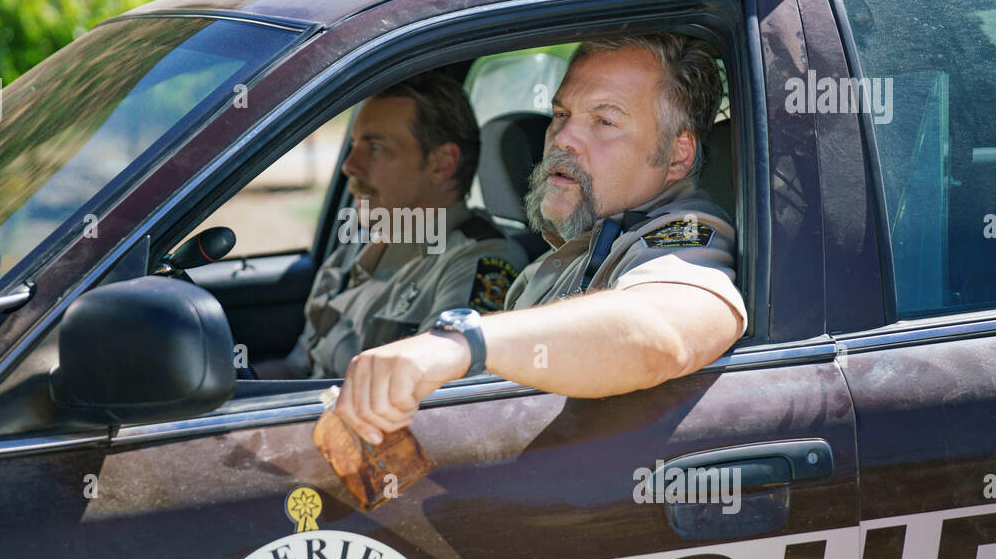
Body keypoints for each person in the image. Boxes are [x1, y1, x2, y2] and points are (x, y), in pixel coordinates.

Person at [332, 33, 747, 442]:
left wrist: (463, 342)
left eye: (605, 121)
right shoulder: (573, 249)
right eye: (563, 114)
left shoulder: (684, 233)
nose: (562, 138)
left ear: (677, 155)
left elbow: (661, 332)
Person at [266, 71, 529, 379]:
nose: (350, 165)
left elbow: (440, 405)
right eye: (354, 145)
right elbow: (298, 370)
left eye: (376, 147)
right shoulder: (356, 250)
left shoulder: (476, 265)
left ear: (441, 164)